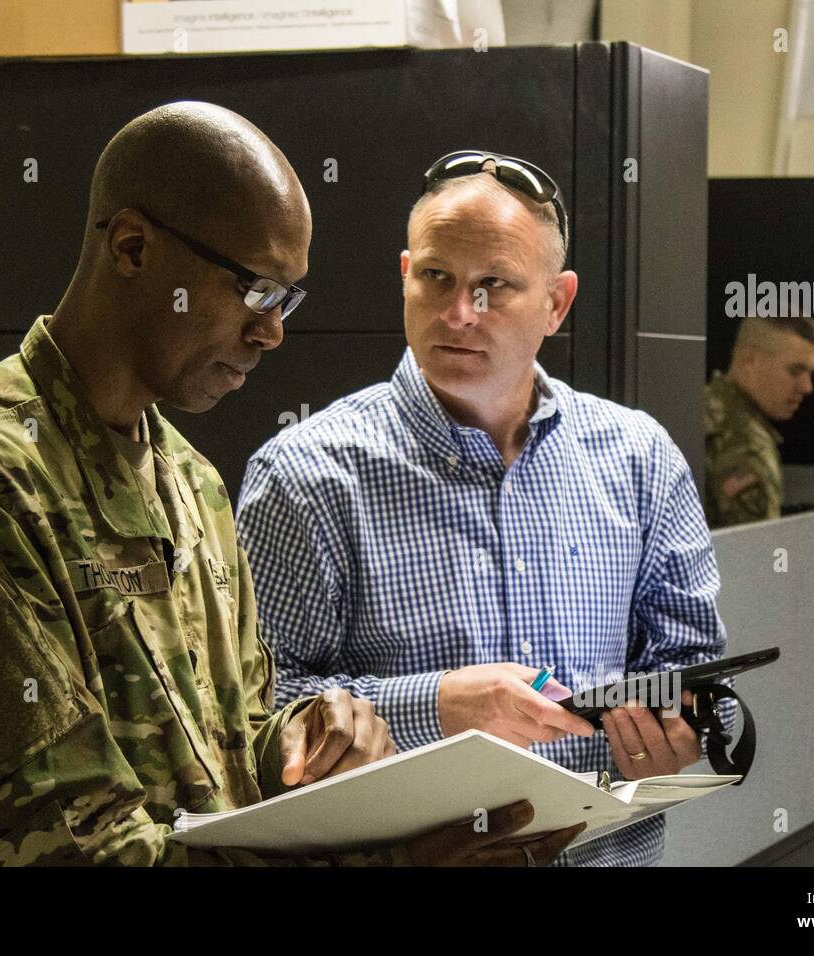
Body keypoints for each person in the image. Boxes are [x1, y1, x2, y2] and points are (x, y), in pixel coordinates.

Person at [0, 108, 584, 867]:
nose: (272, 332)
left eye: (288, 301)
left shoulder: (189, 481)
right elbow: (65, 849)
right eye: (256, 290)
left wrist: (303, 734)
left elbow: (231, 747)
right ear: (133, 247)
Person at [236, 150, 728, 867]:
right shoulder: (307, 474)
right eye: (437, 278)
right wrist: (435, 706)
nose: (459, 313)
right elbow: (260, 712)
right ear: (406, 276)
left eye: (494, 285)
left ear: (557, 303)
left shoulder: (638, 457)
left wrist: (682, 730)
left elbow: (695, 665)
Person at [704, 315, 814, 527]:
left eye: (810, 373)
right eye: (795, 371)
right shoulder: (748, 445)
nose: (807, 387)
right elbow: (761, 554)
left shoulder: (698, 404)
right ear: (750, 358)